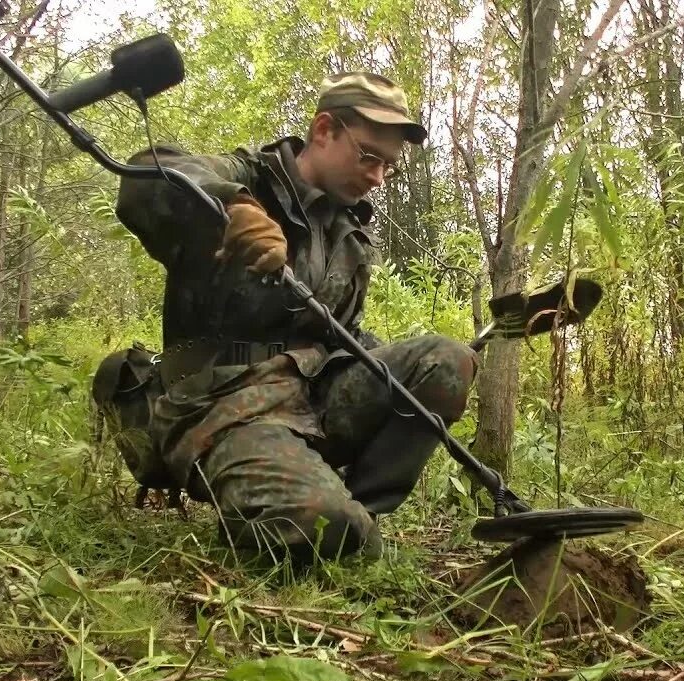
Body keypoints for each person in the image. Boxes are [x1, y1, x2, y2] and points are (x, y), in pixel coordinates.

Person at [104, 71, 479, 564]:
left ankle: (359, 515)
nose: (377, 177)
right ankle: (325, 522)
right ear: (324, 130)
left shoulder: (349, 233)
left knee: (446, 361)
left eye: (388, 165)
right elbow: (148, 175)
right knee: (330, 528)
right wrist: (229, 205)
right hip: (226, 406)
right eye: (369, 156)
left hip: (311, 394)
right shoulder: (248, 176)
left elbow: (342, 334)